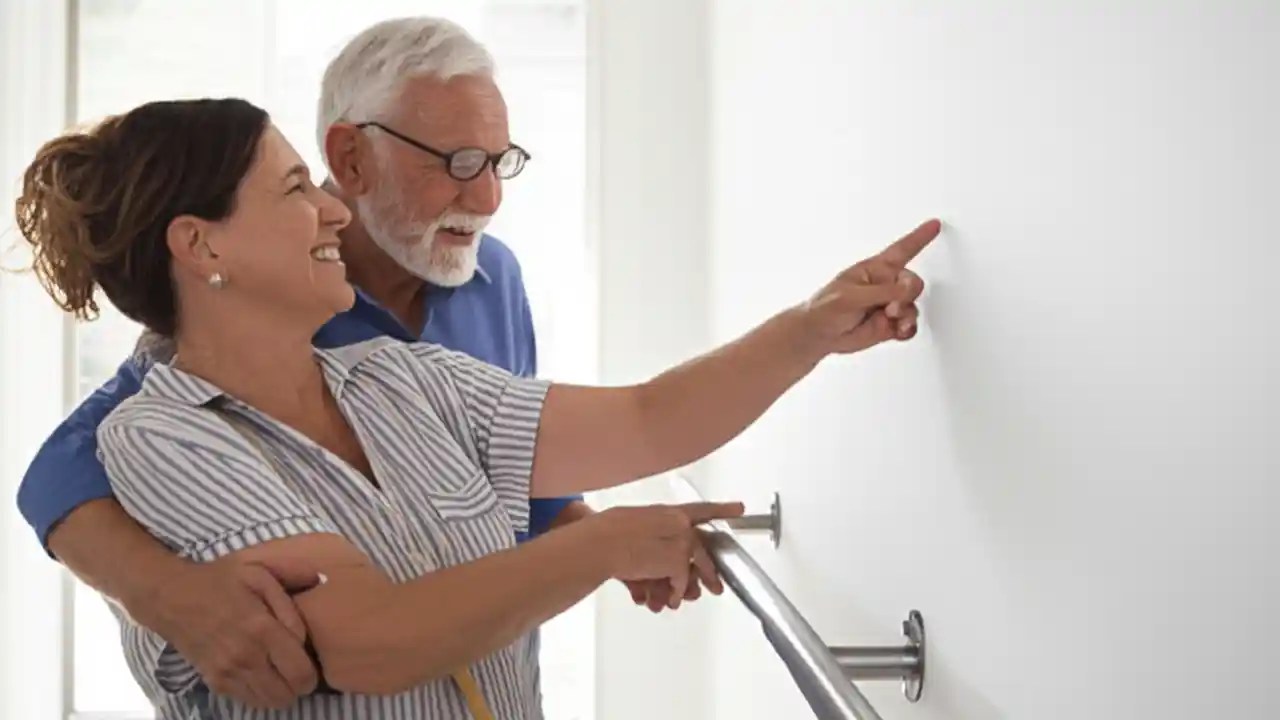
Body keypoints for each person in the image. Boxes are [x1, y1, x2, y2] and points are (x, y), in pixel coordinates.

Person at [14, 95, 935, 719]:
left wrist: (812, 328)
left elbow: (651, 421)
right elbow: (367, 642)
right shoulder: (157, 441)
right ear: (199, 243)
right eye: (297, 190)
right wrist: (603, 547)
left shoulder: (401, 379)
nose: (335, 214)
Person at [15, 17, 679, 711]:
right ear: (351, 160)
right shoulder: (244, 321)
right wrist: (169, 596)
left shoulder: (493, 278)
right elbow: (60, 471)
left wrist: (618, 543)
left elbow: (516, 475)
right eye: (455, 164)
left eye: (496, 161)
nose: (488, 200)